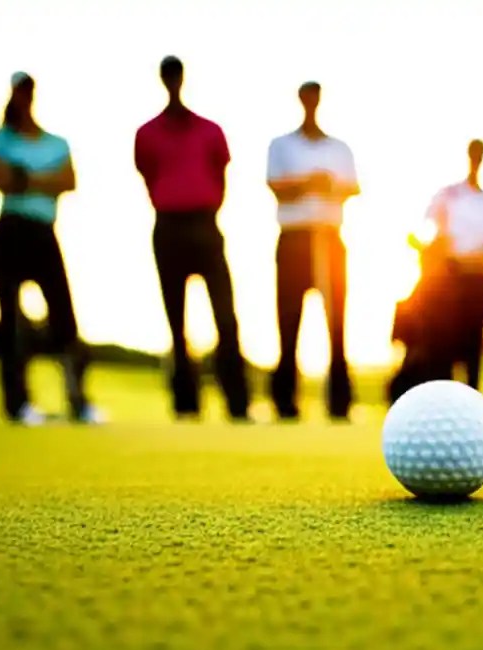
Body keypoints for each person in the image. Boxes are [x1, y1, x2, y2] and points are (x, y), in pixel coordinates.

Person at [135, 56, 250, 422]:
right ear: (162, 80)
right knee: (176, 321)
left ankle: (237, 403)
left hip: (205, 225)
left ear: (182, 78)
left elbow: (221, 175)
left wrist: (208, 206)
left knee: (225, 318)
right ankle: (185, 403)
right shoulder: (147, 132)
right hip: (168, 227)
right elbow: (148, 176)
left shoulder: (209, 130)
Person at [0, 73, 101, 425]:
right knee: (11, 323)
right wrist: (42, 180)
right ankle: (17, 404)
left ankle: (78, 400)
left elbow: (68, 181)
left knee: (64, 318)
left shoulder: (56, 142)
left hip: (44, 234)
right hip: (10, 232)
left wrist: (24, 177)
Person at [265, 81, 359, 422]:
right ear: (301, 100)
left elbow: (352, 188)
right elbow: (277, 188)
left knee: (337, 324)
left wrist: (315, 184)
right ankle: (284, 403)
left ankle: (339, 404)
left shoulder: (339, 148)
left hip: (330, 240)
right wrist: (311, 182)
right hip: (293, 240)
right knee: (288, 322)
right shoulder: (281, 145)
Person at [422, 138, 483, 390]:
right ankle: (444, 395)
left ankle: (472, 398)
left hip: (477, 277)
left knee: (473, 342)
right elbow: (424, 231)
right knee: (445, 340)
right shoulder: (447, 195)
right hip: (448, 277)